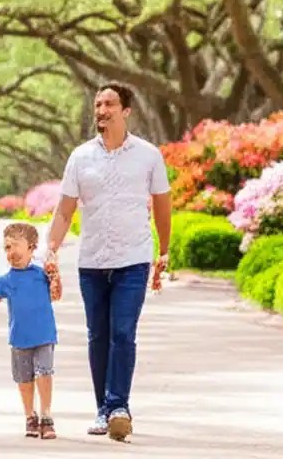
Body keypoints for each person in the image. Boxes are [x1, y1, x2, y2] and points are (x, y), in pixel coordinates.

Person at [43, 82, 172, 443]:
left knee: (122, 332)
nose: (101, 110)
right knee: (98, 335)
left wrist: (164, 250)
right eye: (98, 104)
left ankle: (119, 407)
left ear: (126, 110)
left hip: (133, 259)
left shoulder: (148, 155)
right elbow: (65, 209)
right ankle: (103, 409)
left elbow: (162, 203)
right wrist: (50, 248)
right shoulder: (80, 157)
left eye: (109, 103)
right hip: (92, 261)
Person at [0, 222, 63, 440]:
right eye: (7, 248)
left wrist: (55, 277)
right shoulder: (5, 280)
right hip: (20, 337)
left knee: (44, 372)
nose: (11, 252)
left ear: (32, 248)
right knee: (24, 379)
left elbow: (56, 295)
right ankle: (29, 415)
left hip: (44, 335)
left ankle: (46, 415)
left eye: (16, 246)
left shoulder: (42, 274)